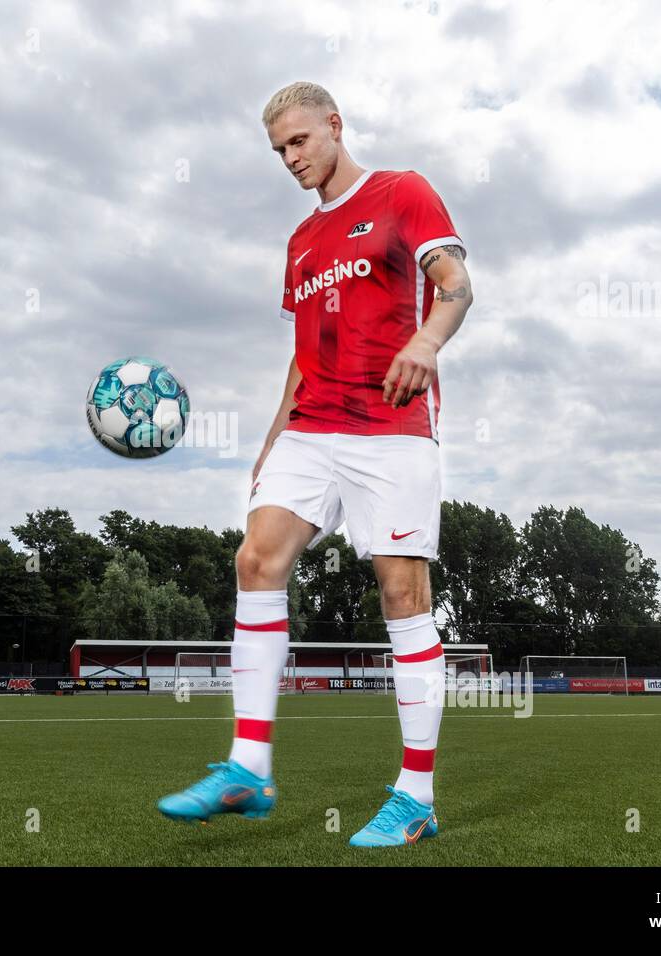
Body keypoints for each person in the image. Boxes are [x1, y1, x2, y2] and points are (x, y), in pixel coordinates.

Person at [157, 81, 474, 848]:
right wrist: (272, 440)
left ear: (334, 126)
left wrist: (426, 342)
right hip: (311, 426)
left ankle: (417, 797)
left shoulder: (401, 192)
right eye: (279, 151)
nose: (291, 159)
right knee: (256, 561)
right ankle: (248, 768)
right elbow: (302, 357)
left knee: (402, 593)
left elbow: (457, 286)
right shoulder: (300, 244)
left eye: (299, 141)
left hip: (392, 426)